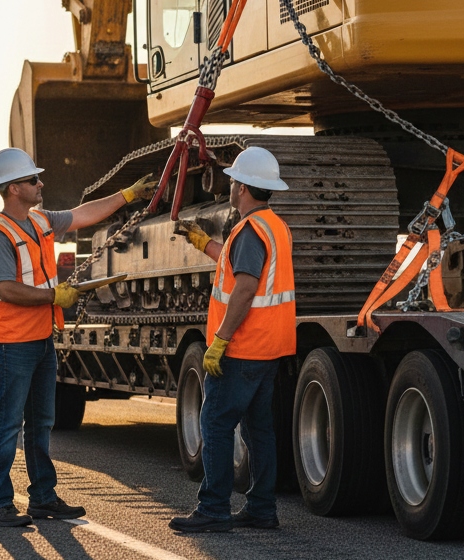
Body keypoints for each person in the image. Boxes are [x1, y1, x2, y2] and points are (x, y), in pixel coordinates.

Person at [0, 148, 156, 527]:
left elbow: (84, 213)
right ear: (11, 189)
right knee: (7, 424)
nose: (40, 183)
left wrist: (128, 195)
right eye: (31, 180)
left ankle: (42, 498)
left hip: (41, 340)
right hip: (11, 345)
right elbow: (7, 288)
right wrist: (52, 297)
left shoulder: (40, 220)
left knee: (41, 423)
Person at [170, 146, 297, 532]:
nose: (229, 185)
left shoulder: (248, 231)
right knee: (258, 428)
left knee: (216, 423)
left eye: (232, 180)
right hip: (268, 349)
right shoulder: (273, 225)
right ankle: (261, 508)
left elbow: (244, 287)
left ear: (242, 187)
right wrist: (203, 242)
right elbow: (239, 261)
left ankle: (213, 509)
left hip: (242, 349)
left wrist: (220, 340)